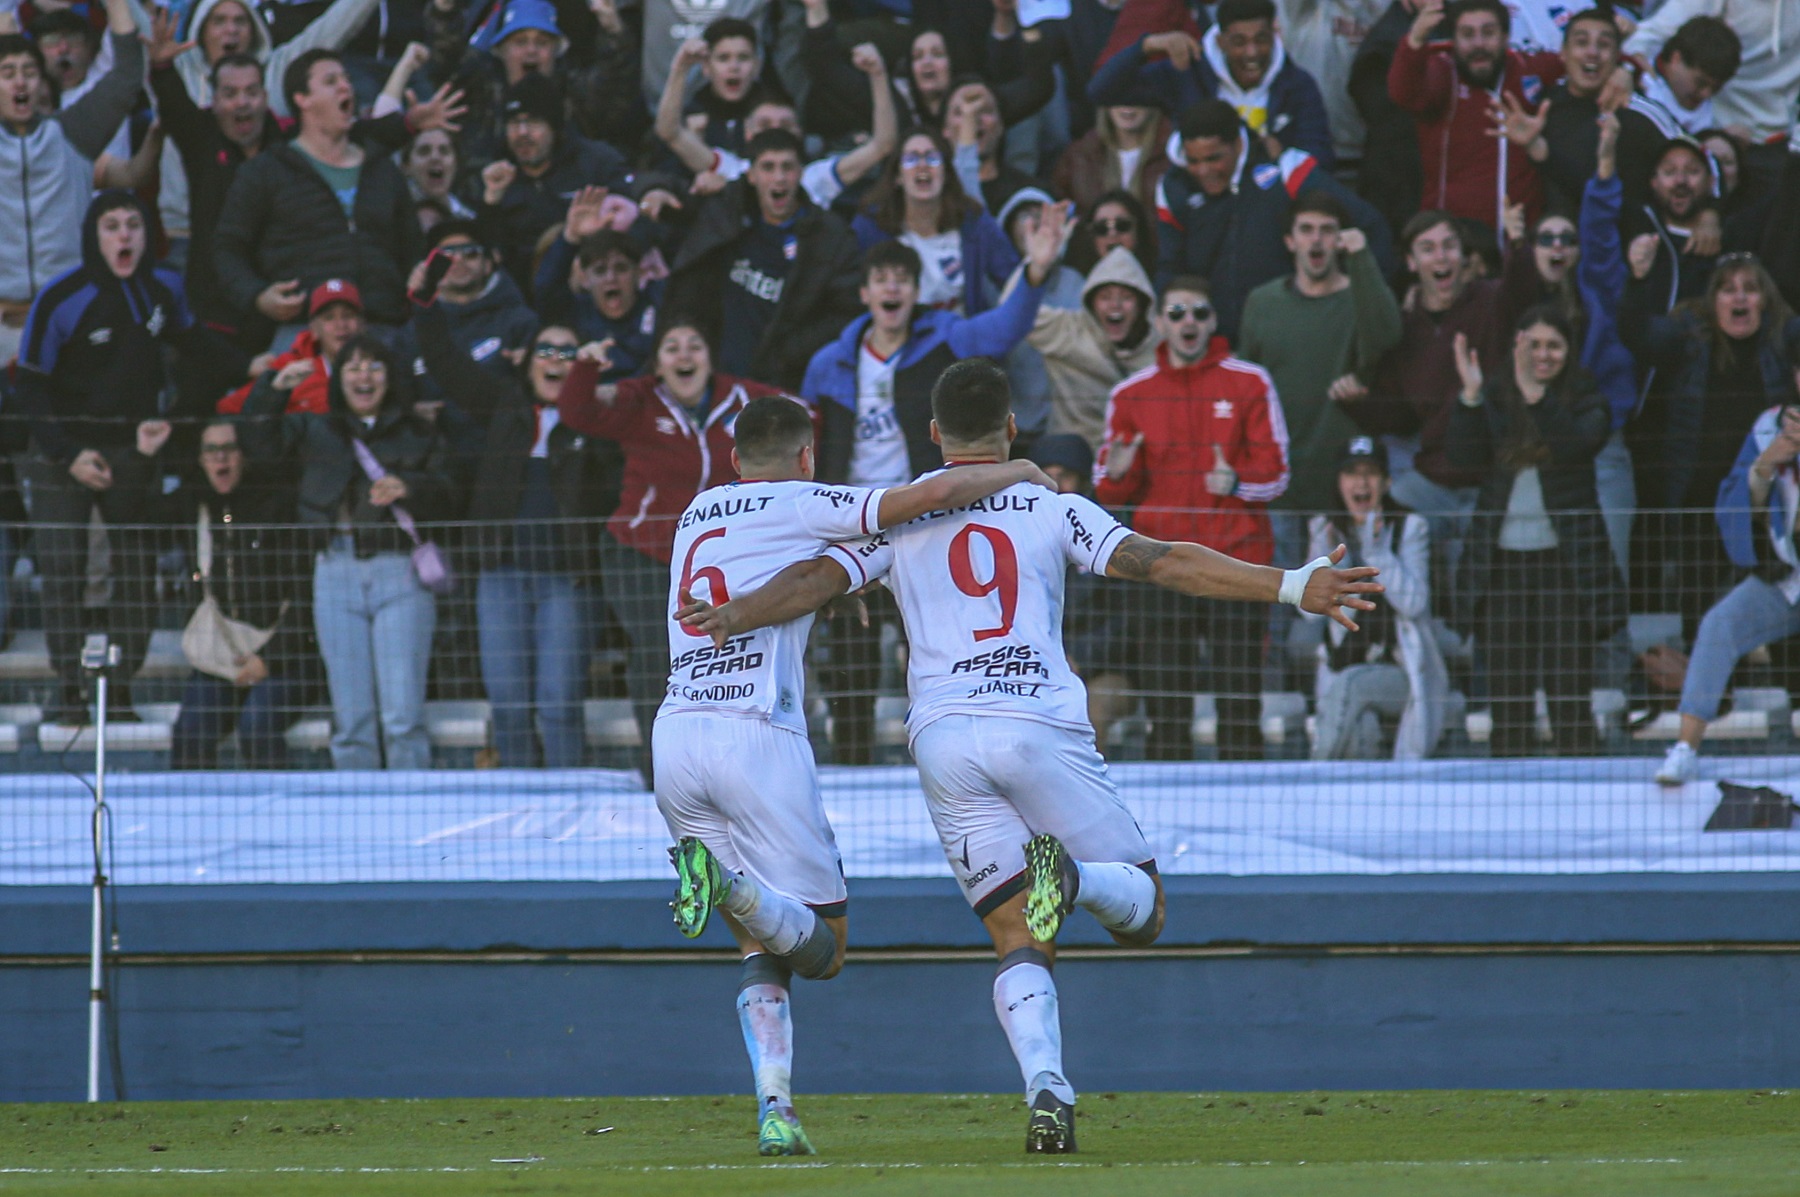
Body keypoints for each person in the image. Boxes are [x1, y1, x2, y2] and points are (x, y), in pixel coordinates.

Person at [676, 357, 1381, 1154]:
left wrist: (731, 615)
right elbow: (1164, 561)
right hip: (1037, 724)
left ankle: (1048, 1087)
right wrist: (1291, 584)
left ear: (934, 434)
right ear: (1011, 428)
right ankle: (1074, 878)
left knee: (1016, 931)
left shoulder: (898, 519)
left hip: (943, 739)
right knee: (1144, 908)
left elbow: (810, 580)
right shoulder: (1055, 503)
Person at [658, 395, 1055, 1155]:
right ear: (808, 457)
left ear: (733, 458)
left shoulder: (696, 511)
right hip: (755, 736)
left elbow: (769, 572)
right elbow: (931, 495)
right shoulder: (806, 500)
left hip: (675, 736)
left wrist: (840, 596)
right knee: (827, 948)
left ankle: (777, 1108)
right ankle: (729, 882)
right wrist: (1022, 468)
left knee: (760, 947)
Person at [803, 212, 1064, 763]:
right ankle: (853, 758)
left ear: (917, 291)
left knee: (925, 641)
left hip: (928, 515)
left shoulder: (942, 338)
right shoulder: (829, 362)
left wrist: (1035, 272)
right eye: (881, 279)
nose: (892, 287)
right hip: (858, 522)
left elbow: (1001, 330)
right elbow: (810, 441)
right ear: (865, 293)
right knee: (850, 650)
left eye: (902, 278)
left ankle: (936, 753)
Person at [14, 192, 240, 721]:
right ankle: (69, 689)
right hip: (62, 453)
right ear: (95, 234)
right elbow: (29, 389)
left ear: (147, 233)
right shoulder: (62, 296)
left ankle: (118, 688)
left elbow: (199, 349)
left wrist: (256, 367)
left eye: (134, 225)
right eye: (112, 226)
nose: (124, 236)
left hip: (136, 448)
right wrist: (68, 454)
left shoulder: (165, 288)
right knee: (63, 566)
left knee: (137, 570)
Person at [555, 320, 792, 783]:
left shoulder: (742, 397)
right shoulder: (639, 399)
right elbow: (577, 411)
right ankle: (659, 767)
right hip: (640, 551)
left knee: (728, 651)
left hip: (719, 560)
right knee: (655, 650)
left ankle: (731, 763)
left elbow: (804, 417)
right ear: (659, 362)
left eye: (695, 345)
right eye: (672, 347)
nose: (684, 355)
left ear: (709, 355)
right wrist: (585, 368)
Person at [410, 254, 619, 769]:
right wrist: (424, 301)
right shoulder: (504, 406)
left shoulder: (598, 424)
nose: (556, 358)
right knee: (508, 705)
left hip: (568, 582)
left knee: (557, 704)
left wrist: (588, 393)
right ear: (527, 362)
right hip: (499, 576)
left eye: (569, 352)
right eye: (546, 349)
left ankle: (570, 801)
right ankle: (522, 809)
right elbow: (444, 361)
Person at [1095, 275, 1292, 759]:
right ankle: (1167, 813)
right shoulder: (1131, 394)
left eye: (1199, 313)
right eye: (1178, 313)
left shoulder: (1250, 381)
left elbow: (1279, 472)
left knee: (1239, 697)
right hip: (1162, 563)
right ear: (1160, 322)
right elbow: (1107, 483)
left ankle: (1247, 804)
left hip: (1237, 561)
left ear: (1213, 321)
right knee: (1167, 704)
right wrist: (1117, 474)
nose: (1189, 323)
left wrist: (1237, 482)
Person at [239, 334, 455, 770]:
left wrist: (410, 487)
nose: (364, 376)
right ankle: (359, 825)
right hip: (334, 571)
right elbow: (258, 444)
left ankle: (412, 821)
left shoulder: (419, 432)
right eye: (354, 367)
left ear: (390, 378)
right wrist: (272, 389)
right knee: (351, 717)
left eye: (375, 366)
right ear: (339, 379)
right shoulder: (316, 427)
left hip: (400, 574)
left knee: (401, 716)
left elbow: (452, 491)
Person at [1448, 306, 1624, 756]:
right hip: (1501, 566)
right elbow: (1461, 458)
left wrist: (1535, 396)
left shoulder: (1587, 397)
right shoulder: (1495, 393)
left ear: (1570, 352)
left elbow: (1573, 445)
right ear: (1518, 345)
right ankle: (1510, 806)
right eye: (1536, 345)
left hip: (1566, 566)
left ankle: (1582, 801)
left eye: (1555, 346)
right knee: (1507, 699)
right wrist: (1469, 397)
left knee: (1569, 696)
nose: (1544, 355)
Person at [1621, 252, 1800, 639]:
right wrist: (1637, 280)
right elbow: (1637, 333)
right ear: (1711, 299)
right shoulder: (1688, 337)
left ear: (1766, 300)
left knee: (1773, 607)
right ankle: (1708, 696)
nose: (1739, 299)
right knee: (1700, 615)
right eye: (1728, 289)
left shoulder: (1782, 338)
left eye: (1751, 290)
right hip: (1698, 503)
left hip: (1764, 504)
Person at [213, 49, 424, 337]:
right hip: (303, 329)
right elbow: (228, 249)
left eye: (347, 79)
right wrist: (258, 296)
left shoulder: (383, 170)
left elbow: (412, 248)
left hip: (382, 327)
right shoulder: (266, 171)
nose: (345, 86)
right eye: (330, 81)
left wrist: (418, 275)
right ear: (302, 99)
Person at [1238, 193, 1402, 546]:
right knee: (1278, 589)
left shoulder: (1360, 296)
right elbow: (1246, 387)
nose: (1316, 239)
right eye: (1307, 229)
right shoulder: (1262, 302)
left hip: (1340, 485)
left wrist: (1361, 257)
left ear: (1340, 240)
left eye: (1327, 230)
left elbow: (1388, 333)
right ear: (1289, 240)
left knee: (1336, 596)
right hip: (1279, 479)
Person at [1153, 99, 1393, 339]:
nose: (1203, 171)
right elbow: (1171, 269)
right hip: (1213, 343)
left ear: (1237, 144)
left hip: (1288, 335)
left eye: (1213, 158)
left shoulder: (1286, 170)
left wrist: (1362, 302)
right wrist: (1170, 320)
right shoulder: (1173, 188)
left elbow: (1370, 226)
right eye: (1193, 161)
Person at [1657, 382, 1800, 785]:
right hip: (1789, 576)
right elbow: (1739, 504)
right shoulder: (1770, 425)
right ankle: (1685, 749)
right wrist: (1766, 465)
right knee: (1720, 624)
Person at [659, 128, 863, 392]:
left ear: (801, 173)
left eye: (787, 167)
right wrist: (652, 189)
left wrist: (790, 352)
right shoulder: (726, 210)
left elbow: (846, 312)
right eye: (768, 167)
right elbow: (671, 188)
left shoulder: (830, 237)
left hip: (785, 384)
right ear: (751, 175)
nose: (779, 178)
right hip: (716, 381)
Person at [167, 421, 317, 770]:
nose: (221, 458)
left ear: (244, 456)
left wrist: (268, 659)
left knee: (257, 726)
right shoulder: (193, 506)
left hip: (287, 657)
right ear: (200, 460)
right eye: (211, 450)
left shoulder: (281, 508)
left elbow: (306, 598)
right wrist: (144, 453)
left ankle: (274, 821)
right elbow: (129, 510)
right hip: (221, 656)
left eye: (229, 449)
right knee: (190, 732)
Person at [0, 0, 140, 365]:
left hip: (70, 318)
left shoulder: (73, 133)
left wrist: (119, 7)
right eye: (7, 72)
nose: (20, 81)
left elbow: (125, 79)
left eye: (29, 71)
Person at [1306, 437, 1446, 760]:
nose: (1361, 482)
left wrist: (1378, 553)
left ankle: (1312, 777)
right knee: (1362, 728)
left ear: (1386, 482)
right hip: (1343, 663)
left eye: (1370, 473)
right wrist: (1330, 566)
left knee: (1351, 686)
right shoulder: (1324, 529)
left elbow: (1414, 603)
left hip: (1400, 671)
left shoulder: (1410, 527)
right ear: (1340, 482)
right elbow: (1309, 614)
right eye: (1352, 473)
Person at [655, 35, 896, 213]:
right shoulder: (733, 171)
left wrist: (878, 75)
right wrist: (680, 68)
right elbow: (669, 132)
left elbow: (882, 144)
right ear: (747, 133)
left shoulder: (814, 179)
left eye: (784, 124)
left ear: (800, 134)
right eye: (765, 124)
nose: (775, 131)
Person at [1386, 0, 1562, 235]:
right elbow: (1403, 92)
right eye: (1467, 34)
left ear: (1506, 36)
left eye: (1488, 33)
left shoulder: (1526, 68)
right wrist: (1415, 40)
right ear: (1454, 40)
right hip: (1456, 246)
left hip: (1520, 242)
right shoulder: (1443, 71)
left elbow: (1582, 61)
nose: (1479, 44)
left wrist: (1623, 71)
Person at [1087, 0, 1336, 166]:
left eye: (1261, 40)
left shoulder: (1297, 84)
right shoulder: (1188, 75)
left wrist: (1283, 157)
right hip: (1202, 205)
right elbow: (1102, 91)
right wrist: (1146, 46)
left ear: (1274, 36)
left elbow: (1321, 160)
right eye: (1239, 42)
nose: (1252, 53)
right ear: (1220, 42)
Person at [473, 71, 633, 303]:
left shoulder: (596, 162)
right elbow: (485, 259)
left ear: (555, 127)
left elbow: (634, 219)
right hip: (524, 301)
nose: (523, 133)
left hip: (597, 290)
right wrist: (490, 203)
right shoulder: (493, 175)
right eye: (515, 123)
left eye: (534, 122)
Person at [1497, 7, 1667, 218]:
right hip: (1556, 244)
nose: (1592, 52)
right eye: (1581, 42)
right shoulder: (1542, 108)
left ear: (1617, 56)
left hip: (1629, 246)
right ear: (1563, 52)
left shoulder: (1640, 111)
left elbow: (1693, 155)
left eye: (1603, 45)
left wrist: (1709, 212)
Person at [852, 126, 1018, 318]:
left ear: (946, 174)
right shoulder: (871, 225)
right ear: (897, 177)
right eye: (911, 159)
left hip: (961, 337)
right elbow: (854, 294)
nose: (922, 166)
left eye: (932, 158)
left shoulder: (973, 220)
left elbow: (1012, 278)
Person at [1024, 245, 1162, 452]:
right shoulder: (1068, 329)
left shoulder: (1161, 349)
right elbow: (1014, 316)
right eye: (1105, 297)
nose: (1115, 305)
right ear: (1090, 302)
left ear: (1142, 304)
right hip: (1071, 461)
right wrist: (1035, 265)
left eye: (1126, 297)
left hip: (1135, 460)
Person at [219, 279, 366, 416]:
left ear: (362, 325)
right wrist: (274, 394)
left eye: (348, 316)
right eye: (329, 317)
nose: (341, 325)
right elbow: (228, 408)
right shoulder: (289, 367)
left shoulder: (380, 369)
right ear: (314, 330)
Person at [1050, 103, 1170, 218]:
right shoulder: (1080, 155)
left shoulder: (1173, 154)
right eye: (1118, 98)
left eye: (1137, 99)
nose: (1127, 106)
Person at [1635, 15, 1742, 137]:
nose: (1706, 94)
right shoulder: (1637, 83)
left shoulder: (1716, 113)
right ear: (1676, 59)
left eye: (1715, 88)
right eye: (1701, 83)